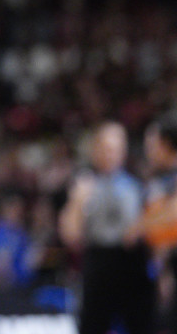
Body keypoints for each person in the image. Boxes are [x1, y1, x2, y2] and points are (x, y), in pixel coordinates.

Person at [58, 121, 153, 334]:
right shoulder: (83, 184)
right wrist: (77, 202)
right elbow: (70, 235)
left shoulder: (138, 184)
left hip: (132, 265)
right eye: (107, 148)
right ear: (95, 150)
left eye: (117, 149)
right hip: (98, 264)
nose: (112, 155)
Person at [133, 111, 177, 333]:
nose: (148, 151)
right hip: (163, 269)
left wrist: (136, 226)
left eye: (152, 144)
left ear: (166, 143)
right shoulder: (157, 179)